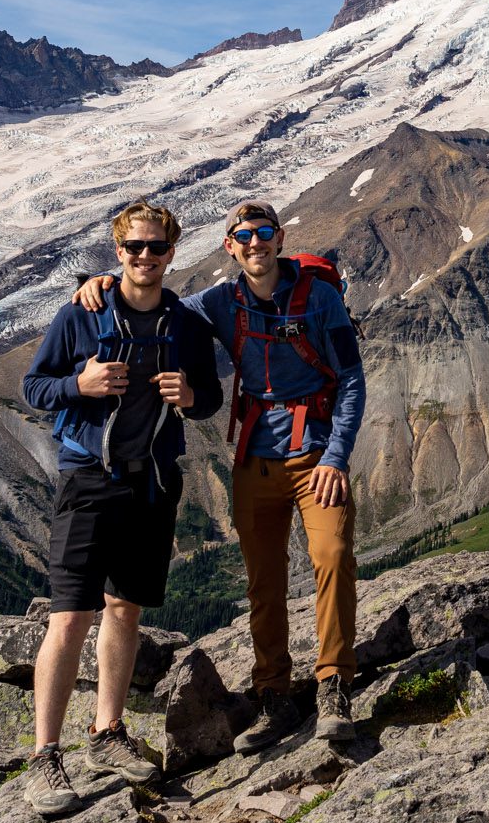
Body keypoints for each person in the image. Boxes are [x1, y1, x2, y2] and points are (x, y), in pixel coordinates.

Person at [75, 199, 365, 751]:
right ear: (229, 246)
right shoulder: (219, 302)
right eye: (243, 236)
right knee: (263, 580)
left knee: (331, 558)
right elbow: (155, 299)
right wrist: (101, 284)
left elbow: (351, 379)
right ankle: (274, 695)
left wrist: (336, 456)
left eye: (263, 233)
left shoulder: (321, 298)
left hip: (316, 451)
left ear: (279, 239)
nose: (254, 243)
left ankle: (333, 684)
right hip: (255, 456)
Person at [19, 200, 223, 816]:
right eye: (134, 247)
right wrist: (76, 386)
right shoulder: (80, 315)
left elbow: (210, 396)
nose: (145, 257)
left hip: (152, 483)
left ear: (171, 252)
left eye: (156, 248)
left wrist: (191, 395)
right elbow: (33, 386)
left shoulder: (184, 325)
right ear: (118, 251)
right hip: (89, 479)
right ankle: (44, 755)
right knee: (69, 617)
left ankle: (107, 732)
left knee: (124, 608)